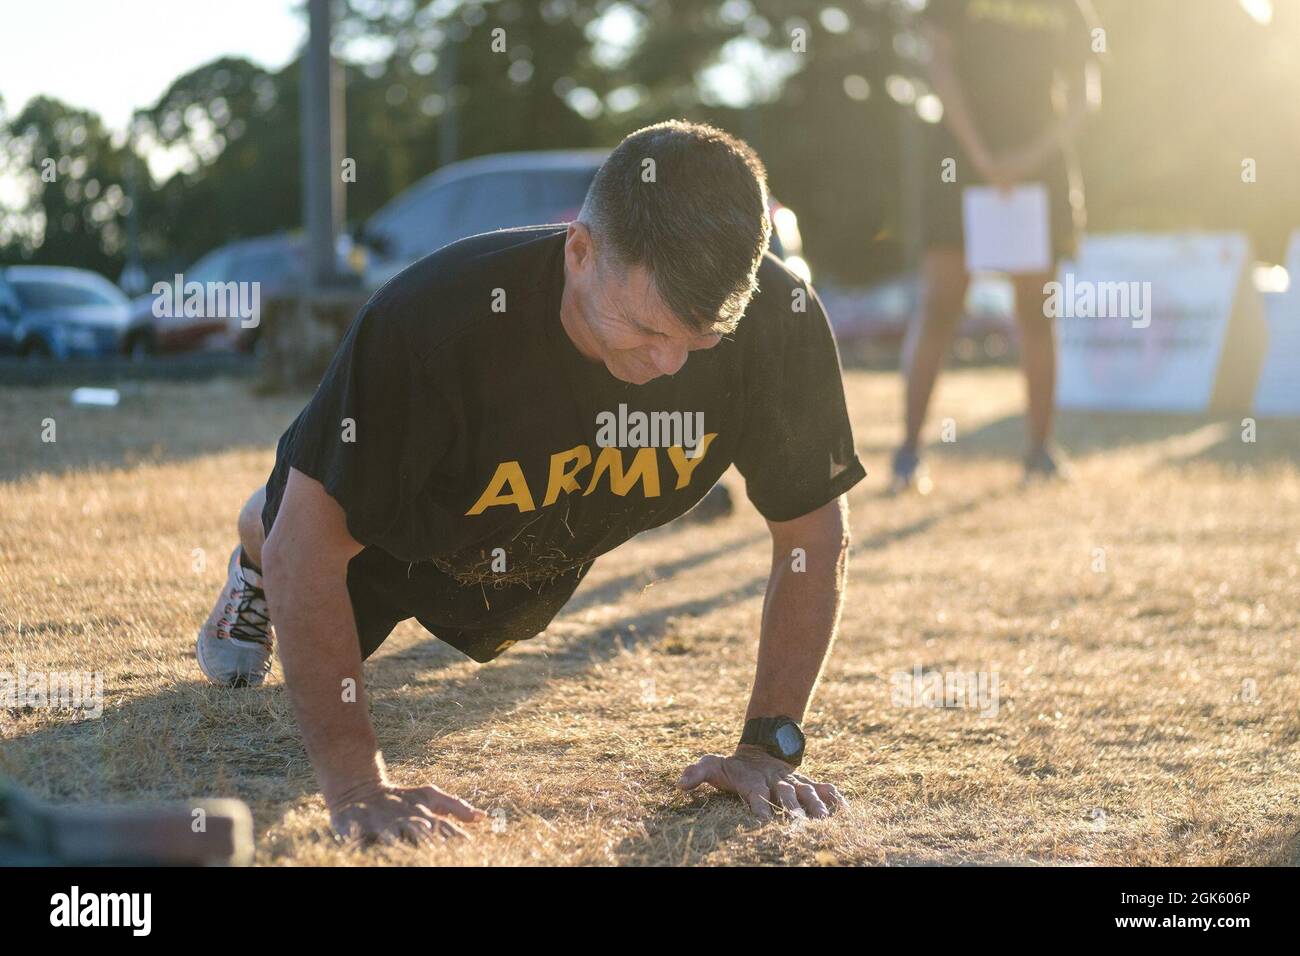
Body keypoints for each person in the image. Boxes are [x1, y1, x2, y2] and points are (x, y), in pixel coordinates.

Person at [196, 121, 866, 845]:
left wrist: (768, 750)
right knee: (302, 537)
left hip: (546, 535)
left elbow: (811, 531)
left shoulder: (778, 320)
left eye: (700, 340)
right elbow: (313, 550)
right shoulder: (431, 324)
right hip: (404, 539)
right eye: (646, 329)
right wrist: (357, 785)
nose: (670, 365)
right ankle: (256, 535)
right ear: (580, 252)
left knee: (491, 600)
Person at [894, 0, 1102, 492]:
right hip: (959, 167)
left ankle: (1040, 451)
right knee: (940, 307)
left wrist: (1028, 159)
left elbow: (1085, 97)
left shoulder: (1070, 8)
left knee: (1036, 312)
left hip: (1040, 175)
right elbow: (939, 69)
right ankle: (907, 453)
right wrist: (983, 158)